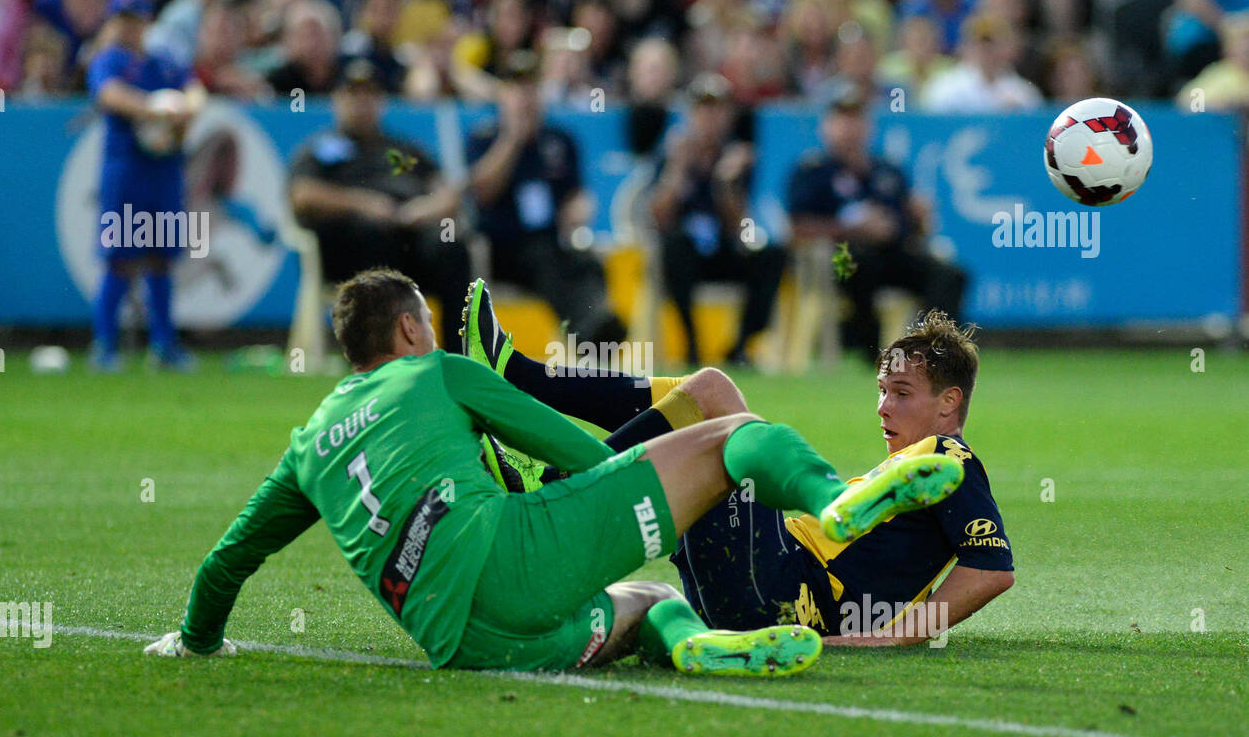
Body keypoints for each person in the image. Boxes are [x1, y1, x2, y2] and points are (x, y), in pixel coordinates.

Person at [144, 268, 965, 673]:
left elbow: (227, 561)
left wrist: (195, 639)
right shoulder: (437, 372)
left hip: (470, 646)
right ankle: (839, 496)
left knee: (652, 598)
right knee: (734, 430)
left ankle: (697, 645)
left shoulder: (308, 443)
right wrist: (628, 490)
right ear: (410, 331)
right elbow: (577, 453)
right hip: (520, 557)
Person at [460, 281, 1012, 647]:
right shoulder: (911, 469)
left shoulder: (949, 458)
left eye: (901, 393)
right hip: (758, 588)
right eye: (882, 391)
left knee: (716, 398)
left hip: (780, 593)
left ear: (949, 403)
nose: (883, 407)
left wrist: (892, 637)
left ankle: (535, 430)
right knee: (706, 420)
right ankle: (545, 471)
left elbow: (991, 569)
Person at [288, 57, 470, 350]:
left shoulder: (402, 149)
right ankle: (383, 351)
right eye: (353, 95)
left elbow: (448, 194)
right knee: (373, 235)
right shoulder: (319, 150)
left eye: (369, 95)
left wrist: (423, 210)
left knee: (451, 247)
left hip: (409, 236)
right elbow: (303, 195)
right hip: (353, 249)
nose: (362, 103)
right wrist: (363, 204)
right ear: (337, 100)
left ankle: (456, 354)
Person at [787, 84, 966, 365]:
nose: (850, 128)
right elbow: (798, 227)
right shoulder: (812, 171)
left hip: (890, 253)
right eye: (842, 119)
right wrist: (854, 230)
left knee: (950, 275)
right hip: (840, 258)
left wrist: (919, 219)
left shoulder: (887, 170)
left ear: (868, 126)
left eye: (856, 119)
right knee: (860, 264)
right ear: (826, 126)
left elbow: (912, 226)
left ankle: (932, 354)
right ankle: (874, 353)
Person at [465, 56, 625, 344]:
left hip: (551, 240)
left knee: (586, 261)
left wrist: (579, 207)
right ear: (503, 94)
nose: (524, 97)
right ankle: (587, 333)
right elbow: (483, 191)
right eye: (516, 88)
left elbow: (575, 194)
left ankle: (598, 322)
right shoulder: (484, 137)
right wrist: (512, 139)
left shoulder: (560, 140)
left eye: (530, 88)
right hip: (501, 246)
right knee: (544, 259)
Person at [86, 0, 206, 371]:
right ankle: (105, 345)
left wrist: (186, 109)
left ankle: (164, 346)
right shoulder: (109, 60)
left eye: (134, 19)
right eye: (121, 19)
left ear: (145, 22)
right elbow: (110, 96)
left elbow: (195, 90)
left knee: (161, 258)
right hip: (127, 171)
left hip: (164, 170)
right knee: (120, 259)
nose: (128, 27)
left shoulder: (163, 61)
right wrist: (156, 110)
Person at [647, 73, 785, 366]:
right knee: (674, 246)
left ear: (728, 115)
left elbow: (741, 227)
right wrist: (676, 170)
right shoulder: (671, 152)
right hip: (687, 255)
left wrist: (725, 184)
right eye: (703, 109)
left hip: (725, 248)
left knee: (772, 256)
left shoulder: (737, 158)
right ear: (691, 114)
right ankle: (691, 344)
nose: (709, 118)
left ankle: (740, 345)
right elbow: (658, 217)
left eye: (717, 110)